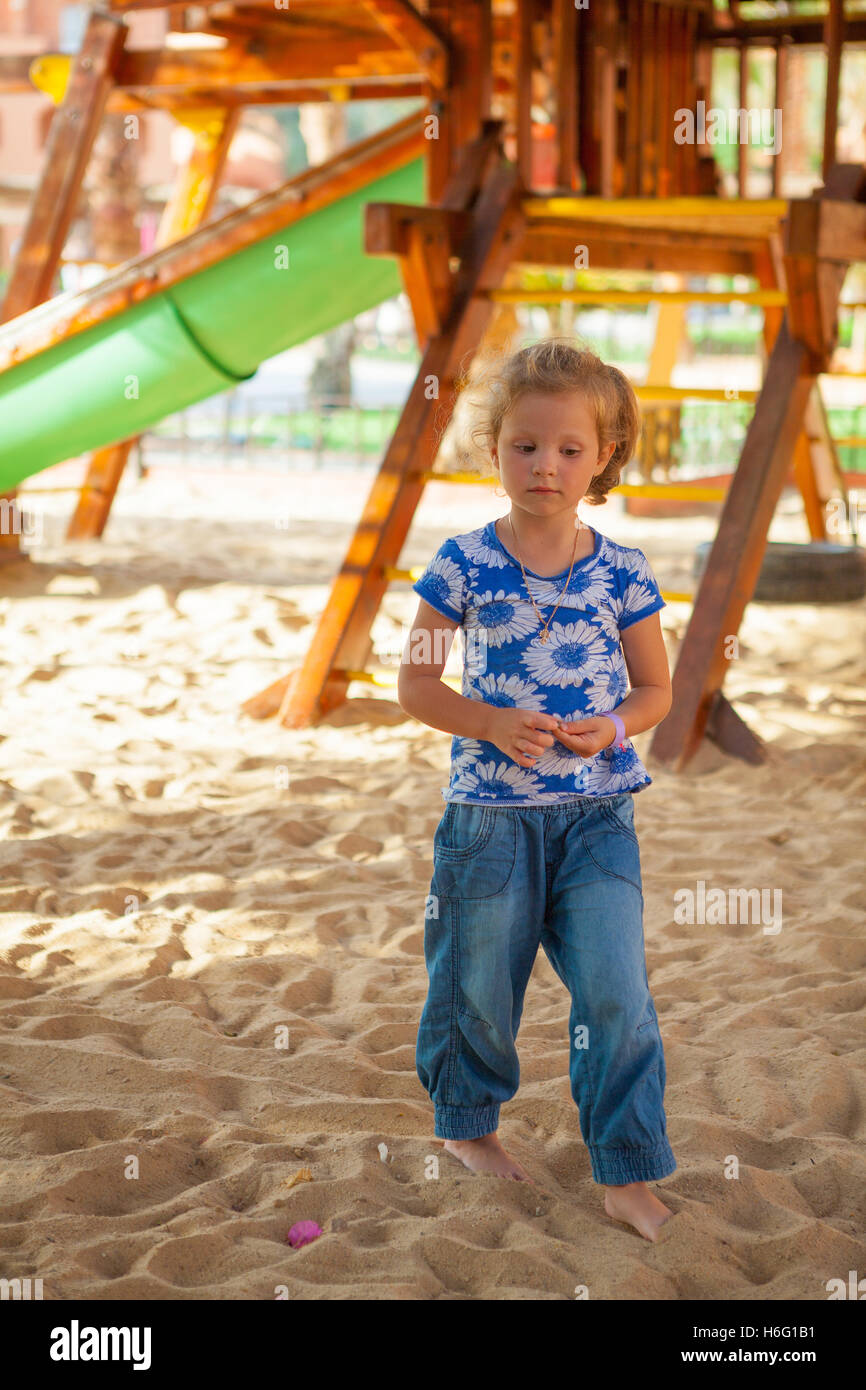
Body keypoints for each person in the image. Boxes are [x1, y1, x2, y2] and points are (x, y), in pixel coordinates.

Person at [397, 339, 677, 1242]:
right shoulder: (460, 566)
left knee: (616, 992)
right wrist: (483, 721)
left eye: (567, 449)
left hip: (599, 820)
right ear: (494, 452)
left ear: (602, 457)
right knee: (477, 983)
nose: (544, 466)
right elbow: (417, 684)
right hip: (488, 822)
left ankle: (628, 1169)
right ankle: (470, 1127)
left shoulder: (625, 572)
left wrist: (618, 725)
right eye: (524, 446)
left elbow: (656, 689)